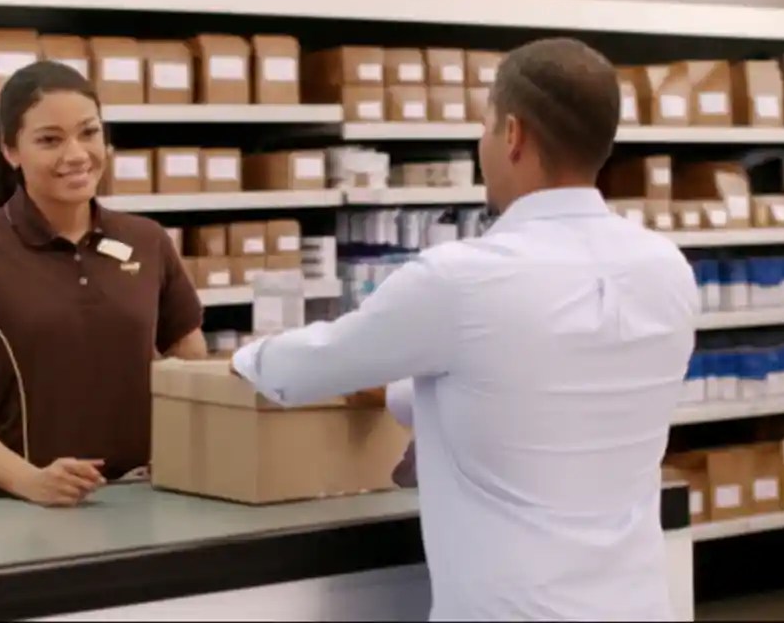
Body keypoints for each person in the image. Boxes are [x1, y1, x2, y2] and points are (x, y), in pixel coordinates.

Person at [231, 38, 698, 621]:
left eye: (484, 124)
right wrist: (404, 393)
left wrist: (234, 362)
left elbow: (302, 369)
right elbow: (531, 385)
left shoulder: (461, 280)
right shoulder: (666, 269)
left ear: (513, 135)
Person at [0, 61, 208, 508]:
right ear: (11, 150)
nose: (76, 154)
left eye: (89, 133)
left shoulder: (147, 241)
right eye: (50, 140)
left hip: (143, 500)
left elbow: (191, 369)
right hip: (18, 510)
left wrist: (177, 452)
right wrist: (31, 481)